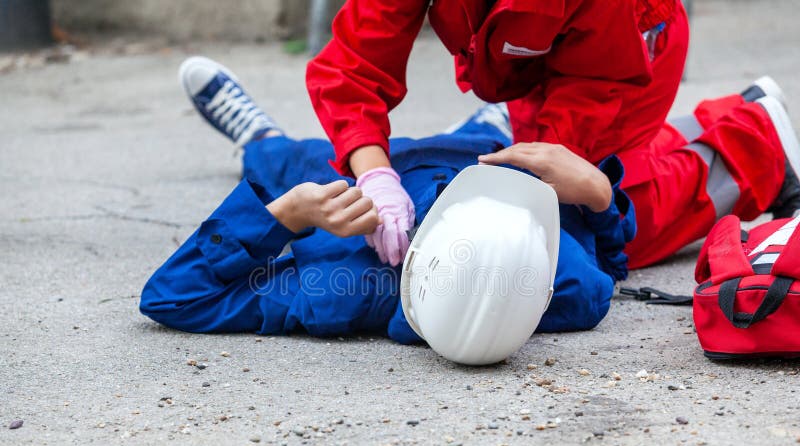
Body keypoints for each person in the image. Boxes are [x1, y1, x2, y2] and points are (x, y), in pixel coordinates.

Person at [139, 57, 636, 341]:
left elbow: (172, 297)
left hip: (368, 175)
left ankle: (258, 135)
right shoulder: (569, 285)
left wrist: (287, 215)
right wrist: (597, 193)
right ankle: (491, 120)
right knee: (487, 142)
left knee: (293, 164)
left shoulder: (345, 288)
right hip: (488, 155)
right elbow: (610, 263)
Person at [306, 0, 800, 269]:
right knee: (554, 206)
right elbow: (355, 64)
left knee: (603, 221)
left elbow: (597, 81)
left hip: (624, 52)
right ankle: (705, 132)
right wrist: (374, 178)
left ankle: (755, 147)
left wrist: (546, 183)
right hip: (525, 59)